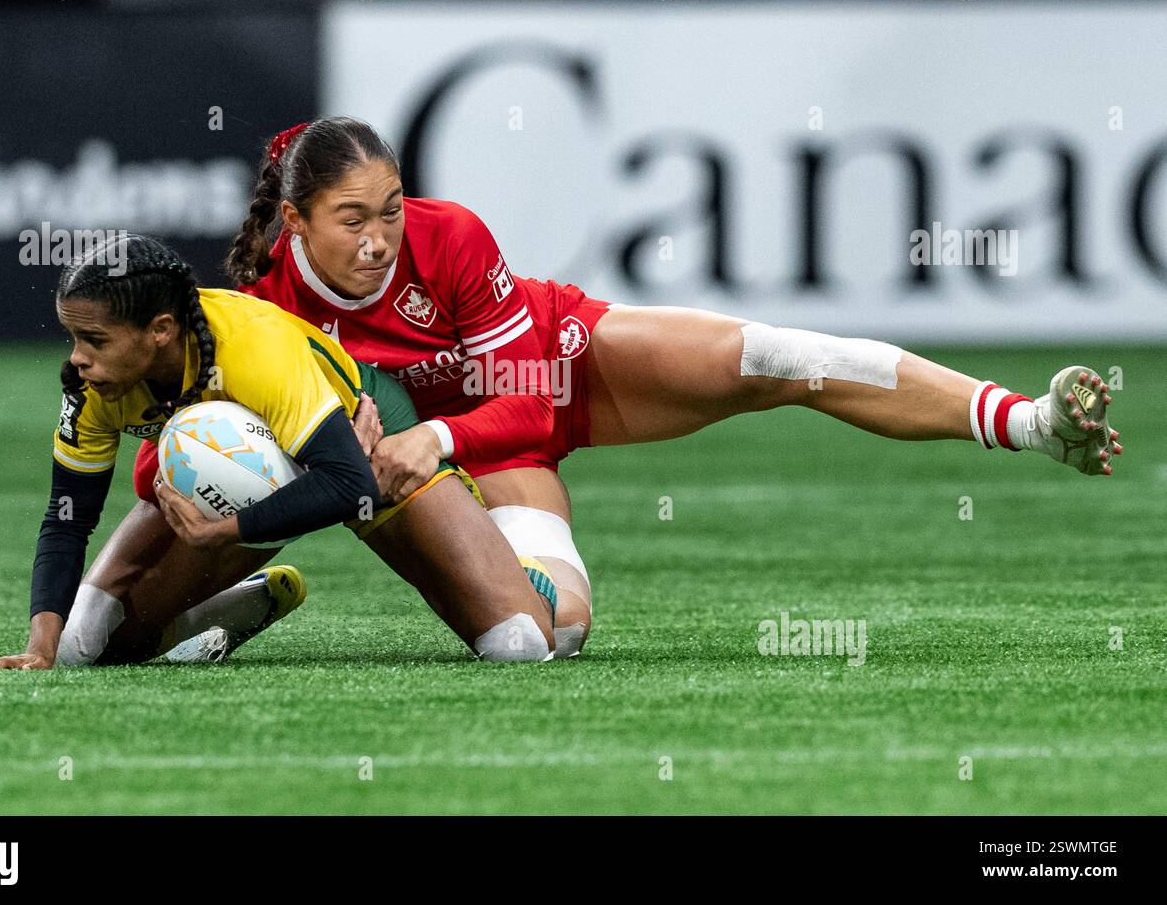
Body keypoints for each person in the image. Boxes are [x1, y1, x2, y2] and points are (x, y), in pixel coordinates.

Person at [207, 115, 1124, 660]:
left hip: (540, 391)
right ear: (295, 220)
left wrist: (436, 437)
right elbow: (244, 453)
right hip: (416, 482)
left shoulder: (450, 237)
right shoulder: (262, 309)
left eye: (392, 210)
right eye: (352, 219)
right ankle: (221, 615)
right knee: (558, 631)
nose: (379, 240)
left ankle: (1031, 422)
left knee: (773, 359)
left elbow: (524, 403)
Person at [0, 234, 564, 671]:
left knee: (523, 643)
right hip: (259, 475)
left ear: (161, 331)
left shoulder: (253, 348)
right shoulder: (96, 385)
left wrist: (222, 533)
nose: (76, 358)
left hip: (360, 444)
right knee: (83, 646)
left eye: (93, 340)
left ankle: (523, 574)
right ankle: (235, 610)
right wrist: (38, 648)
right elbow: (66, 519)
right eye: (72, 337)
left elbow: (348, 484)